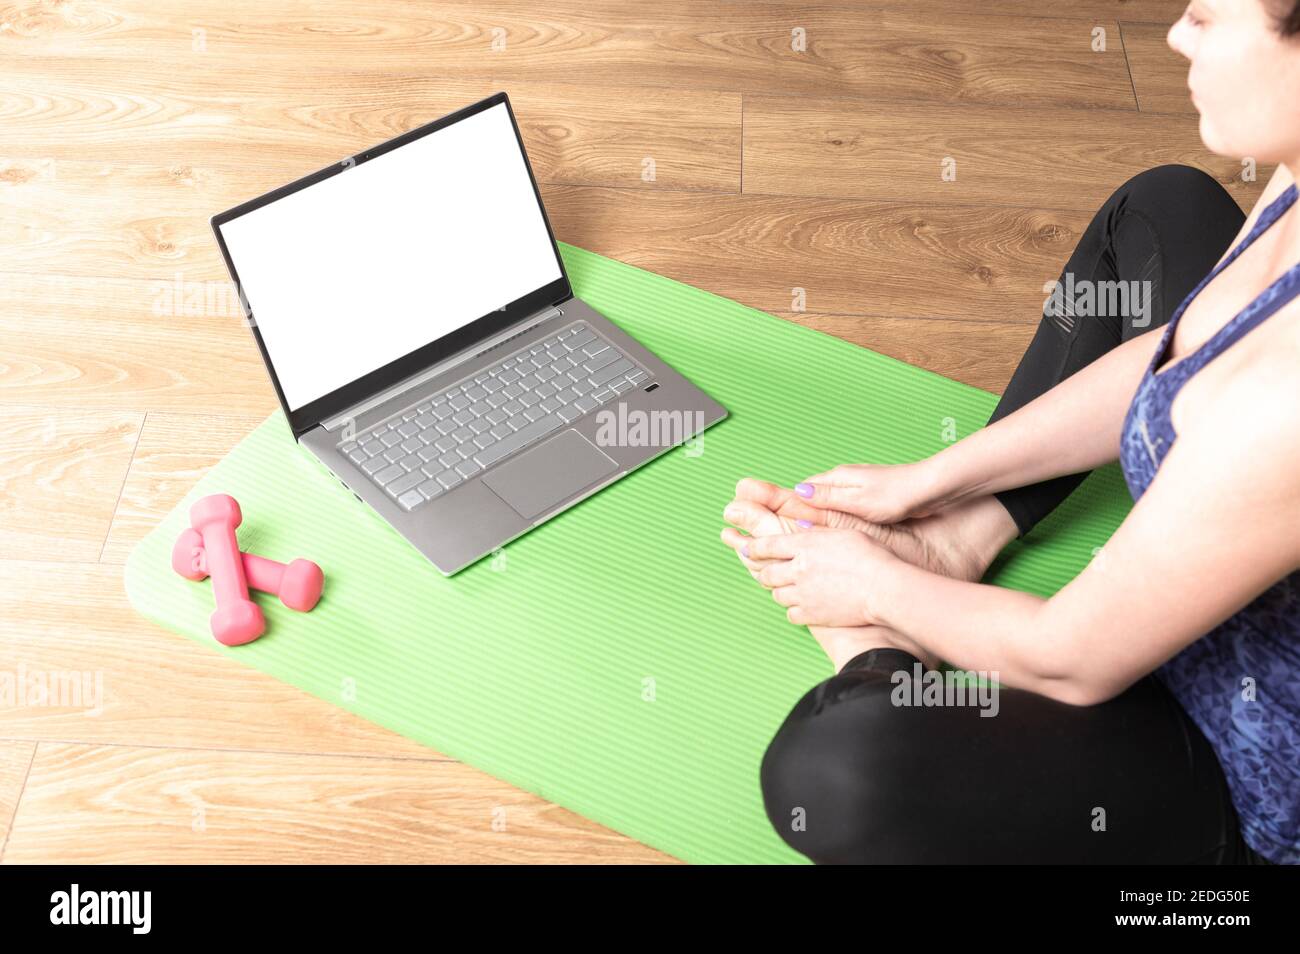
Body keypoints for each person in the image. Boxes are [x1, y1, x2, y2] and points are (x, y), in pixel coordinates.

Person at [720, 0, 1300, 864]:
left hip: (1242, 778)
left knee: (838, 772)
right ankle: (966, 537)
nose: (1175, 35)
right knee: (1164, 205)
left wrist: (867, 589)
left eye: (1206, 19)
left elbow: (1072, 659)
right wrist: (937, 484)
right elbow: (1181, 354)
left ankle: (883, 666)